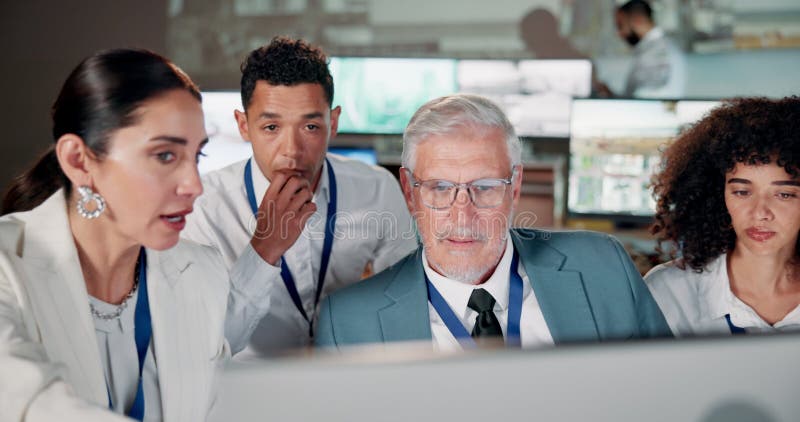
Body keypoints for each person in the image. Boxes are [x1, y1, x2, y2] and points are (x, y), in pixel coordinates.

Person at [315, 94, 671, 351]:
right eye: (440, 188)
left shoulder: (602, 268)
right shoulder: (348, 324)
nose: (462, 215)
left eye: (484, 187)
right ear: (410, 193)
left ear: (514, 187)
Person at [0, 49, 228, 421]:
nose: (194, 185)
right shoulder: (7, 266)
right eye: (165, 156)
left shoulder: (203, 273)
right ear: (78, 160)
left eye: (196, 157)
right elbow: (25, 403)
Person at [183, 36, 416, 357]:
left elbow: (408, 307)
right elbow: (207, 346)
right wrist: (264, 249)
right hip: (247, 383)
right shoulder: (203, 207)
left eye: (310, 127)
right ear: (243, 126)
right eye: (271, 127)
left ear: (333, 122)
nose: (292, 150)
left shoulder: (377, 189)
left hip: (350, 375)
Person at [646, 97, 800, 337]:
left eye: (784, 194)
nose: (760, 213)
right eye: (742, 192)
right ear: (718, 194)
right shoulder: (669, 291)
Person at [611, 0, 687, 98]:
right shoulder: (654, 47)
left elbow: (646, 98)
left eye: (620, 26)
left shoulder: (658, 51)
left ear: (637, 20)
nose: (619, 33)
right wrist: (612, 96)